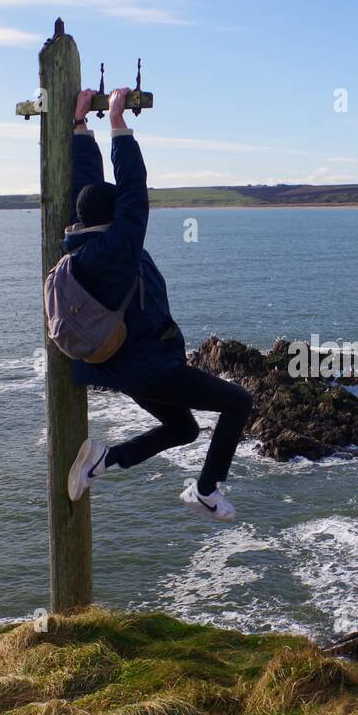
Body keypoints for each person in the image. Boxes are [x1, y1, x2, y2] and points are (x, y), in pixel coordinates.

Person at [63, 86, 252, 522]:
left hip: (116, 366)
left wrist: (78, 127)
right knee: (239, 402)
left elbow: (84, 187)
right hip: (150, 367)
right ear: (116, 218)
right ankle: (206, 490)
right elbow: (133, 187)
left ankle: (103, 461)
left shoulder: (74, 245)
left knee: (183, 428)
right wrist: (116, 123)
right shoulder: (118, 248)